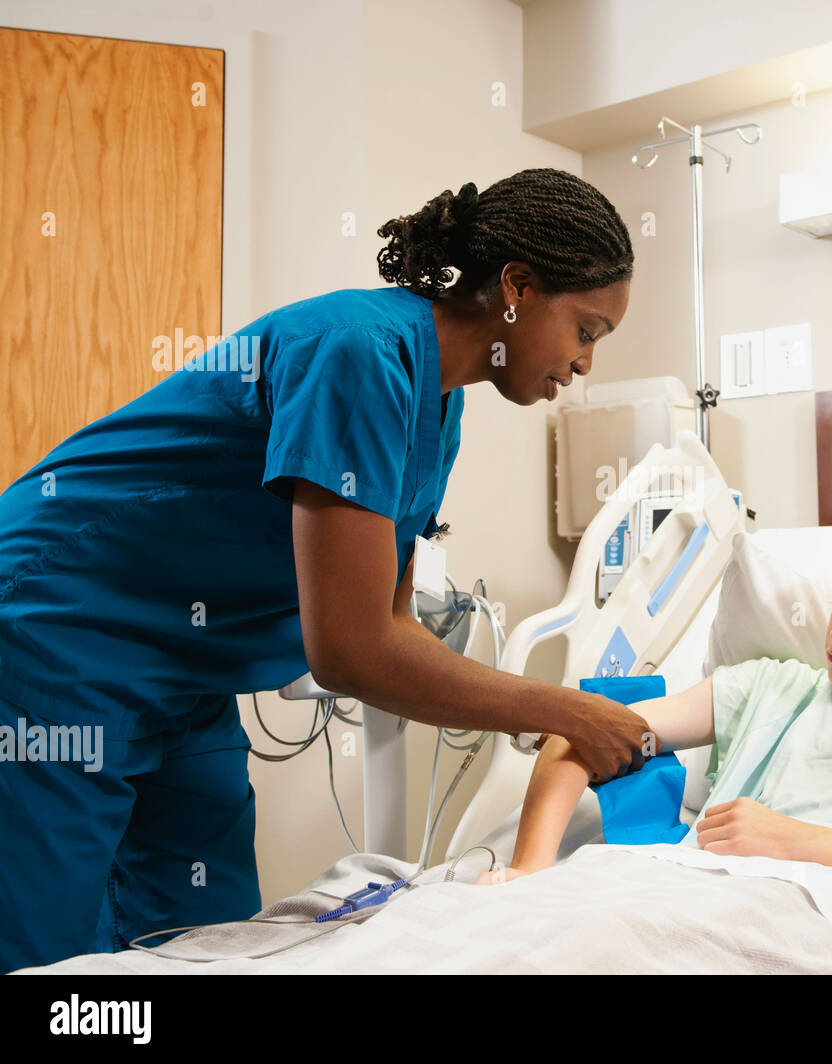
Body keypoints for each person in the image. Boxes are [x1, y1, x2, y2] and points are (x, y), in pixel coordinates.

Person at [0, 167, 653, 973]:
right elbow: (349, 651)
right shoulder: (358, 351)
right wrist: (565, 710)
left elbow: (392, 621)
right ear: (516, 287)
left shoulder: (439, 407)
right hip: (55, 632)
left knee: (205, 935)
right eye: (587, 330)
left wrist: (551, 712)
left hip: (181, 673)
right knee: (48, 946)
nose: (585, 363)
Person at [479, 509, 832, 954]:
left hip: (827, 930)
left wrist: (803, 844)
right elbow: (582, 731)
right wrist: (532, 869)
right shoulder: (771, 691)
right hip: (682, 899)